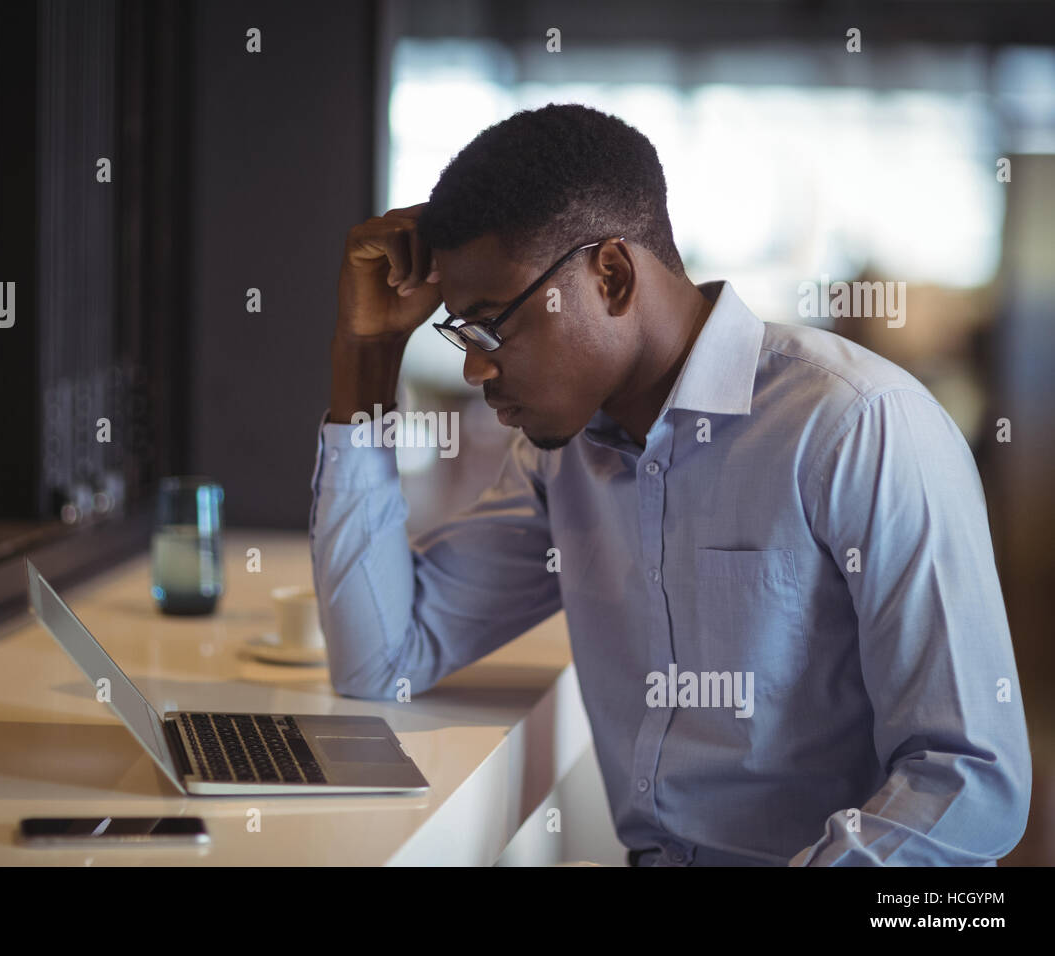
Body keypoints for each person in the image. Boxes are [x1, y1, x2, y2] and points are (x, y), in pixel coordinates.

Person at [308, 103, 1030, 866]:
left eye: (494, 325)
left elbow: (968, 782)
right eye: (461, 332)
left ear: (611, 276)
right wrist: (368, 353)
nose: (474, 368)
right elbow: (381, 661)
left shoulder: (857, 428)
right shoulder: (565, 457)